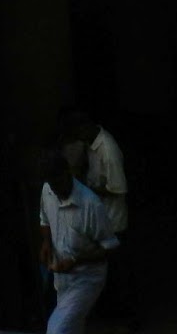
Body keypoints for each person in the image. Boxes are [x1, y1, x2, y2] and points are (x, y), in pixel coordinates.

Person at [59, 110, 134, 325]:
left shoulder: (107, 150)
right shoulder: (91, 144)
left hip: (114, 221)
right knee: (105, 272)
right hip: (100, 220)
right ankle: (114, 316)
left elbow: (118, 189)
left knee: (119, 274)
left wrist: (88, 190)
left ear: (85, 127)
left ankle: (127, 319)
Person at [38, 149, 118, 334]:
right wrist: (46, 243)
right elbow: (44, 219)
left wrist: (76, 260)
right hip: (62, 277)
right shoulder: (48, 191)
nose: (56, 191)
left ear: (68, 173)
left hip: (87, 277)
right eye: (52, 186)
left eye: (58, 184)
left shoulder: (91, 204)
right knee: (72, 328)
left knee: (57, 329)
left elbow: (110, 248)